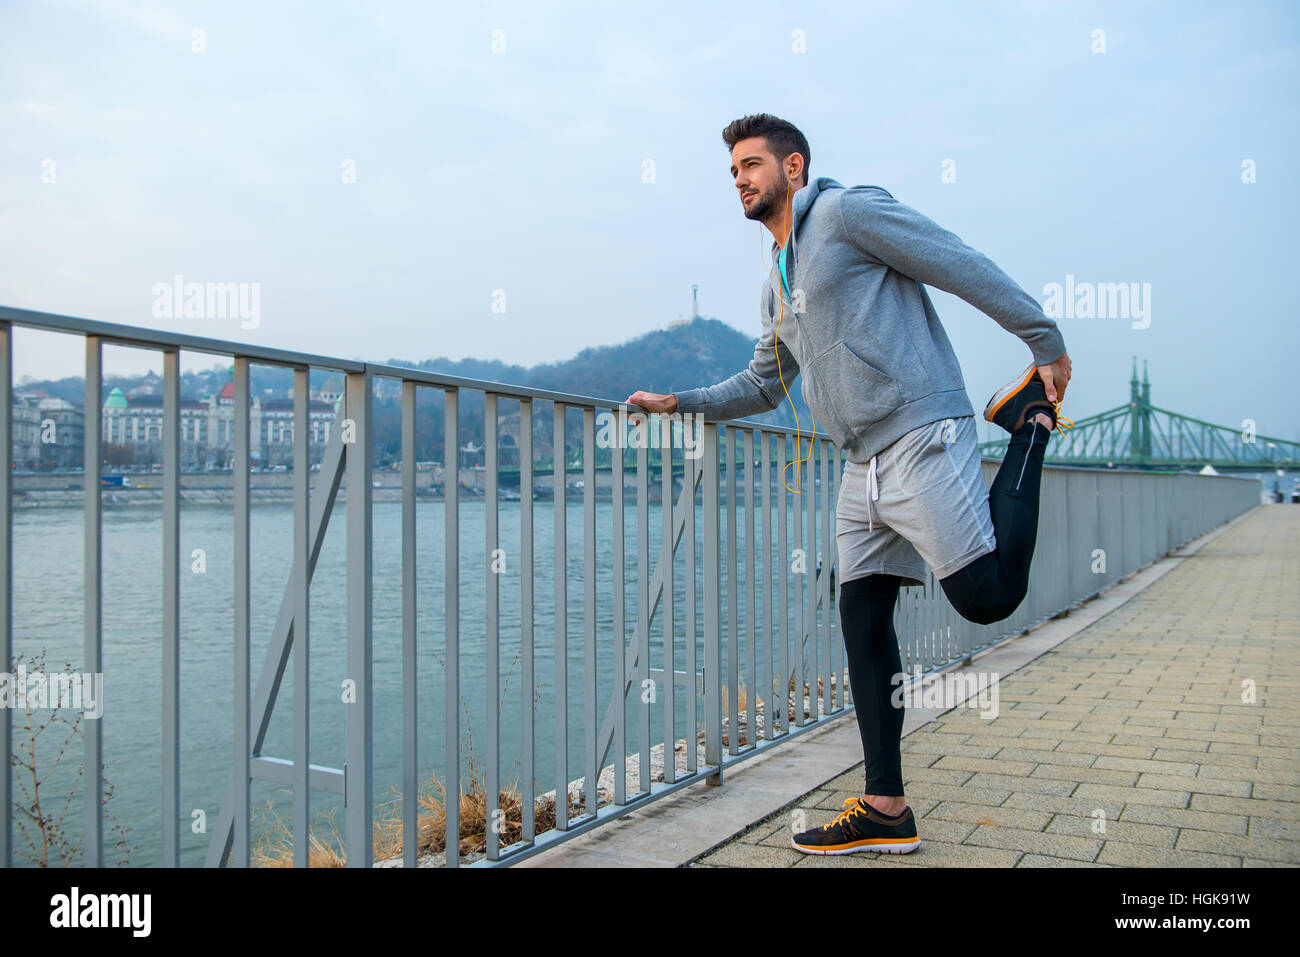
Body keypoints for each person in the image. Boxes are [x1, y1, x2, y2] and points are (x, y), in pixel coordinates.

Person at [625, 113, 1073, 856]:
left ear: (793, 167)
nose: (739, 177)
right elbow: (767, 382)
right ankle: (885, 807)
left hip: (918, 432)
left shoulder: (847, 212)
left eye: (751, 164)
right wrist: (682, 403)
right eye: (732, 169)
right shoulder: (775, 281)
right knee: (862, 620)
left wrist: (1042, 338)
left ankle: (1029, 422)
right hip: (859, 465)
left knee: (988, 594)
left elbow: (953, 260)